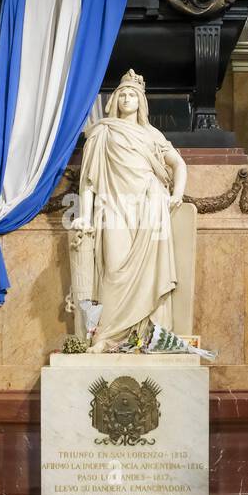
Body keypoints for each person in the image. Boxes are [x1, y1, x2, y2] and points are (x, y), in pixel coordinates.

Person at [73, 69, 187, 350]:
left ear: (141, 102)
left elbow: (178, 164)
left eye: (132, 94)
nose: (126, 98)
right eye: (121, 93)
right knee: (113, 269)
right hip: (113, 206)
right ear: (113, 100)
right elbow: (89, 180)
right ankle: (106, 336)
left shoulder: (152, 134)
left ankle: (144, 336)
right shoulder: (103, 131)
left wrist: (176, 194)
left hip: (149, 206)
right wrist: (86, 217)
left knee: (149, 274)